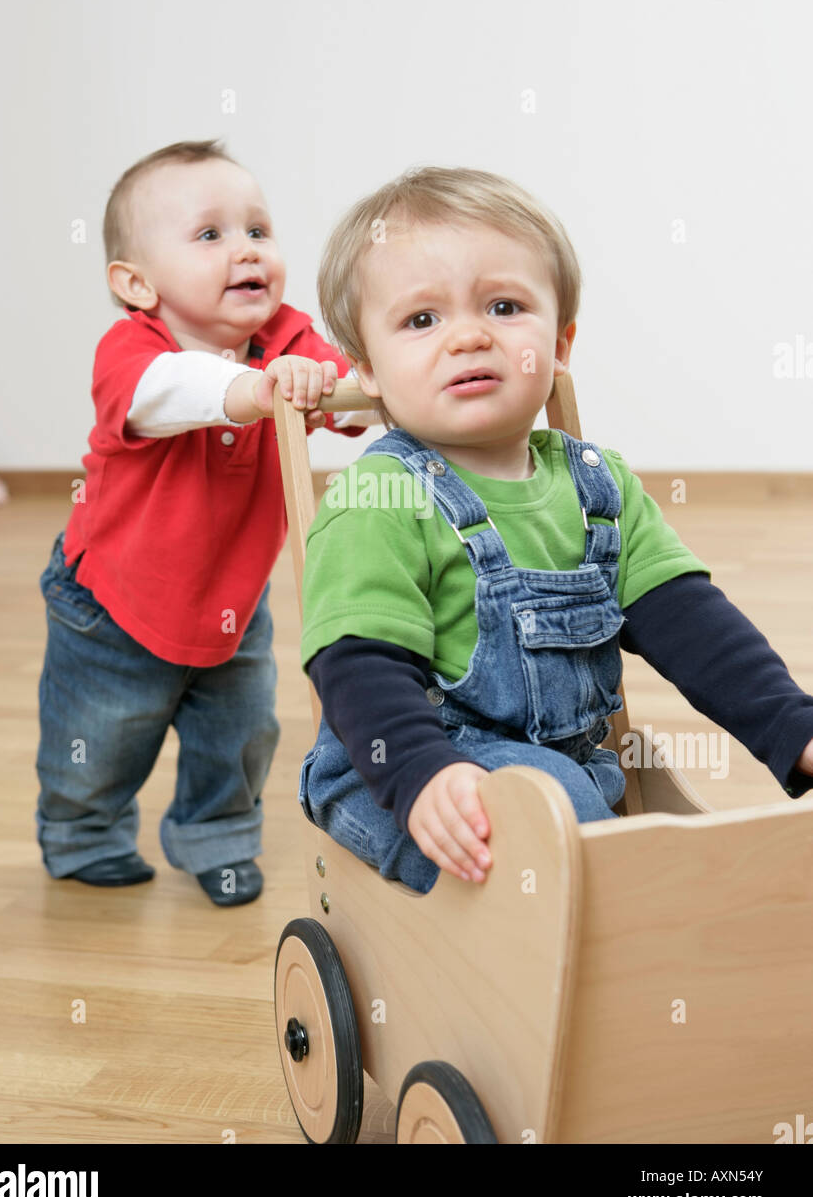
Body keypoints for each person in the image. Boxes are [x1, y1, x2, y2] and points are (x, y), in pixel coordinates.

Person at [298, 164, 813, 894]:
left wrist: (793, 728)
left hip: (563, 775)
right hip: (403, 780)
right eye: (422, 320)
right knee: (554, 808)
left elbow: (692, 625)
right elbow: (357, 664)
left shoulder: (598, 485)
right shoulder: (379, 496)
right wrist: (423, 774)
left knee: (574, 797)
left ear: (561, 343)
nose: (469, 337)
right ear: (368, 370)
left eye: (504, 307)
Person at [35, 139, 368, 904]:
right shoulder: (133, 350)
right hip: (110, 607)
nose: (246, 250)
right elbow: (165, 392)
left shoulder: (288, 337)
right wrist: (258, 391)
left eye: (258, 229)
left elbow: (346, 399)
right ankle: (82, 831)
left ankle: (216, 839)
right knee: (101, 740)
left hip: (233, 602)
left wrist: (336, 386)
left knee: (243, 735)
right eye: (210, 235)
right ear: (136, 284)